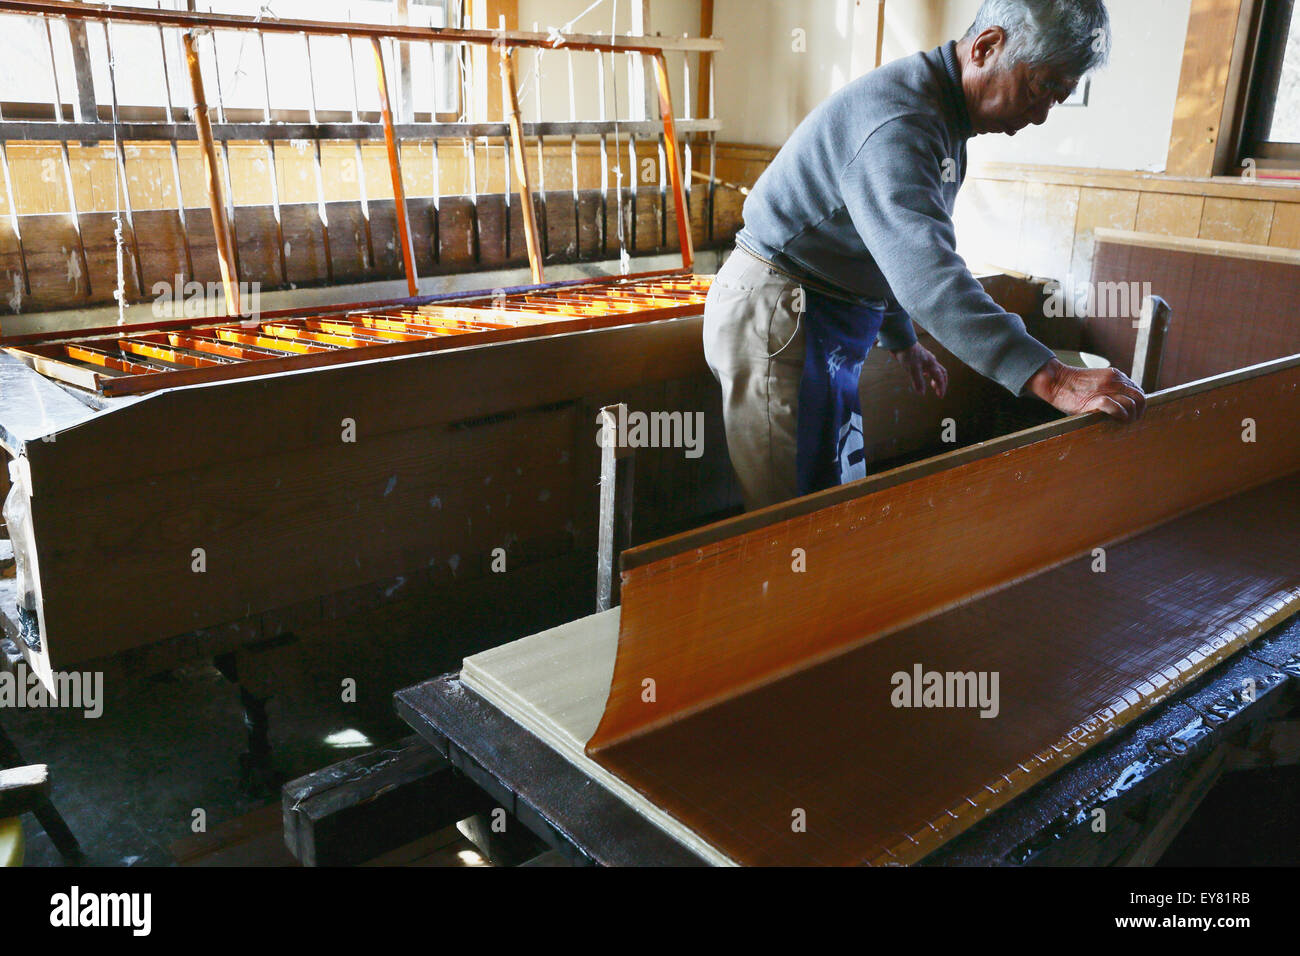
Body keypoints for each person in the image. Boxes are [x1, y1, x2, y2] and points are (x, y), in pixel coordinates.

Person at [703, 0, 1145, 511]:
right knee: (793, 521)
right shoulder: (903, 119)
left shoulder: (939, 112)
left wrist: (901, 339)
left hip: (816, 314)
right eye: (1040, 88)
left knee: (827, 498)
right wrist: (1053, 376)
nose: (1042, 115)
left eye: (1058, 99)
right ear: (986, 47)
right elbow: (927, 273)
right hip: (779, 314)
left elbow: (883, 245)